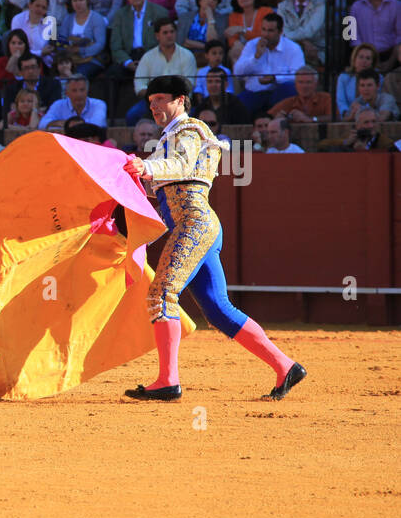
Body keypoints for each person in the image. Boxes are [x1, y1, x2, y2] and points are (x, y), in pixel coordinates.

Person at [123, 74, 305, 401]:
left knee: (161, 293)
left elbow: (179, 165)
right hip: (196, 226)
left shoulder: (191, 129)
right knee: (218, 310)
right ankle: (285, 365)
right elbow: (162, 183)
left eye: (160, 100)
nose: (154, 107)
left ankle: (168, 380)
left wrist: (146, 168)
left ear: (180, 99)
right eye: (150, 102)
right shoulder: (170, 137)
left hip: (193, 225)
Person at [233, 11, 303, 110]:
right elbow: (237, 73)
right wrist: (256, 57)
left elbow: (298, 76)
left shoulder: (293, 48)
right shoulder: (252, 45)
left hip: (279, 93)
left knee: (289, 88)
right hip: (255, 93)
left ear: (280, 32)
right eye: (263, 29)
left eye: (270, 31)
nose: (265, 34)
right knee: (238, 103)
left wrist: (275, 78)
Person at [348, 0, 401, 75]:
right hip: (364, 55)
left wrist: (390, 62)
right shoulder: (355, 7)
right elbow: (351, 36)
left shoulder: (396, 5)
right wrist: (366, 58)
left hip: (390, 54)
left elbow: (399, 35)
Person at [277, 0, 325, 65]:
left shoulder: (321, 3)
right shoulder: (282, 6)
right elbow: (282, 33)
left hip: (317, 50)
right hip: (290, 50)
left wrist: (299, 40)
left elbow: (309, 31)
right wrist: (303, 42)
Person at [39, 73, 107, 128]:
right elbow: (42, 124)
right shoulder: (58, 105)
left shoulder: (99, 104)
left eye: (82, 90)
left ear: (87, 91)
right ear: (66, 93)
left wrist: (70, 124)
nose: (79, 94)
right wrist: (64, 123)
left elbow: (98, 123)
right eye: (74, 91)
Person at [335, 42, 376, 116]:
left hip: (370, 115)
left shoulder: (379, 78)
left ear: (372, 62)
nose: (364, 61)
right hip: (348, 116)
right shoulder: (343, 77)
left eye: (368, 58)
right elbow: (341, 102)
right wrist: (347, 114)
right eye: (361, 57)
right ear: (354, 60)